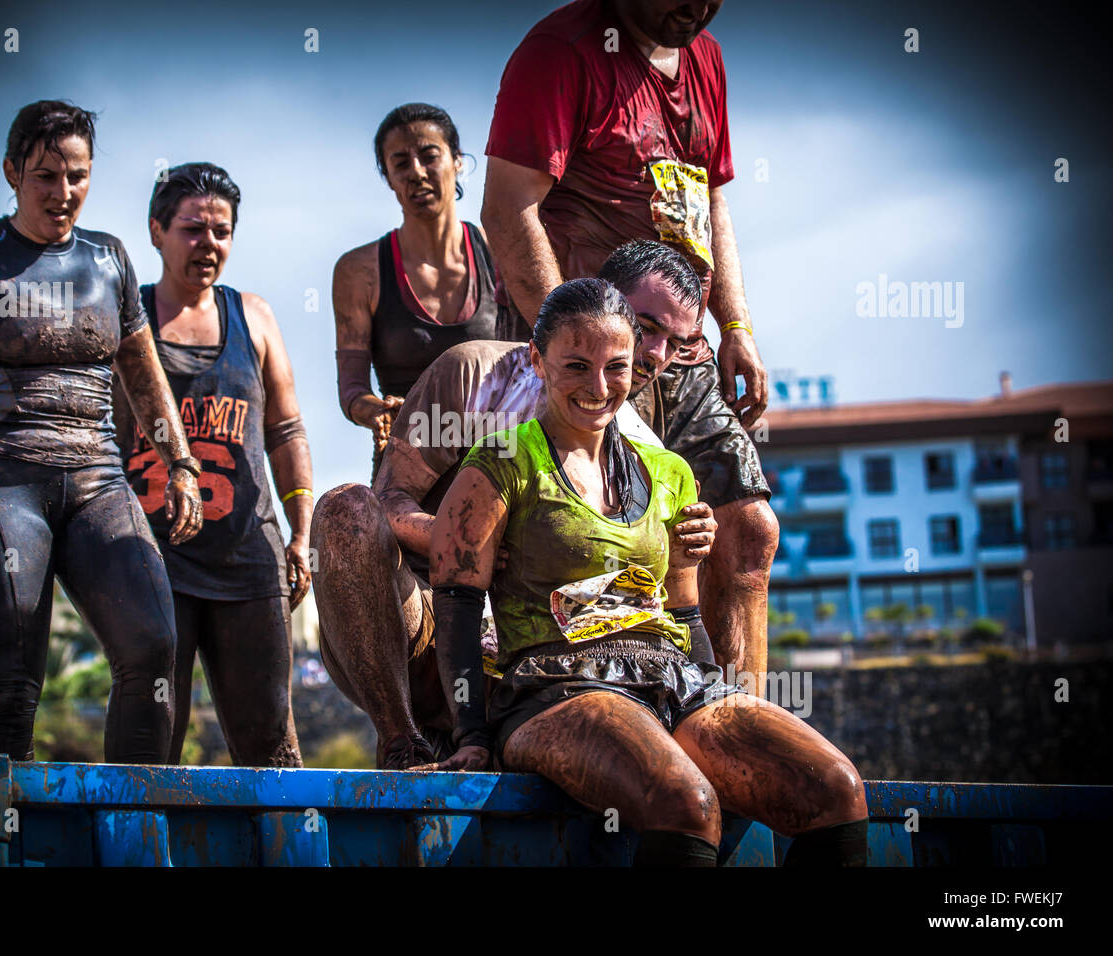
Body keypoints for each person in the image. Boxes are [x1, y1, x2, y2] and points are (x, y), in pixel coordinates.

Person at [426, 277, 868, 867]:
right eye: (576, 366)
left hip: (673, 677)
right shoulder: (500, 462)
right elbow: (455, 600)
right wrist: (473, 736)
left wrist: (714, 694)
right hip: (554, 688)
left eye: (616, 367)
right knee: (686, 802)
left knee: (835, 788)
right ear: (537, 360)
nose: (598, 386)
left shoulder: (671, 472)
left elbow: (684, 610)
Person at [313, 240, 718, 768]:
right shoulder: (474, 375)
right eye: (648, 326)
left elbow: (643, 604)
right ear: (603, 301)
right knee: (346, 511)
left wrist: (677, 552)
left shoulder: (649, 454)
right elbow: (387, 502)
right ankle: (401, 744)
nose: (657, 353)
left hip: (542, 666)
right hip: (424, 633)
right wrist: (458, 539)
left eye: (676, 342)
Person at [0, 101, 203, 763]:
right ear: (12, 172)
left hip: (97, 478)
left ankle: (129, 835)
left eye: (77, 177)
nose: (64, 194)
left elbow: (143, 375)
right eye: (46, 177)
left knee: (153, 650)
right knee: (8, 683)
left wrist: (182, 465)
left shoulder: (108, 258)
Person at [481, 0, 777, 690]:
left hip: (680, 345)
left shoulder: (706, 56)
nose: (696, 9)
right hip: (590, 347)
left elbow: (710, 200)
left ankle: (737, 730)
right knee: (596, 541)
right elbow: (506, 207)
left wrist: (734, 325)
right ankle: (576, 712)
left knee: (747, 529)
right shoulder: (562, 50)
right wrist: (573, 349)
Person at [111, 163, 312, 767]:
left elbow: (284, 429)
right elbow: (101, 436)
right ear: (156, 231)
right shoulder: (128, 320)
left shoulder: (253, 316)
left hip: (248, 555)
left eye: (221, 232)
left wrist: (300, 535)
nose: (209, 245)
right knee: (150, 739)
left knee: (269, 740)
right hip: (152, 558)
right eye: (193, 230)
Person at [333, 103, 502, 478]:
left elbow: (536, 359)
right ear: (388, 177)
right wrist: (379, 412)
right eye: (400, 163)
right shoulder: (359, 271)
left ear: (457, 161)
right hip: (409, 465)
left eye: (429, 156)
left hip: (498, 462)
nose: (417, 172)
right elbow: (351, 390)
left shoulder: (499, 250)